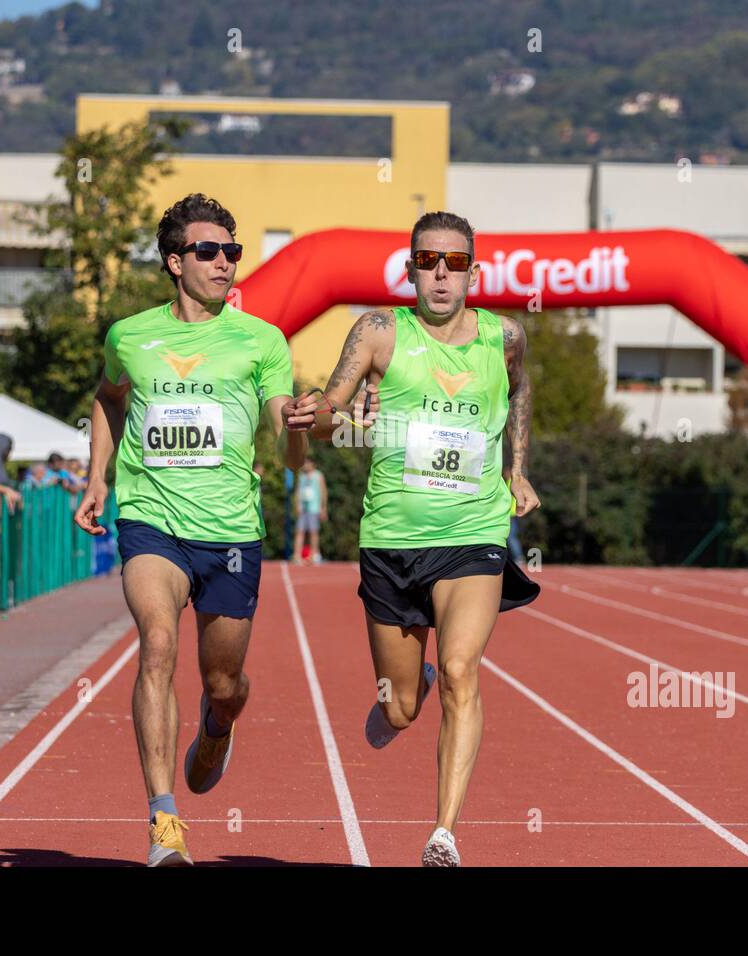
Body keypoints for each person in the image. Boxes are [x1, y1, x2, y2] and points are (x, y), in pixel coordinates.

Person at [285, 210, 542, 866]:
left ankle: (444, 834)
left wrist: (516, 469)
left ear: (473, 273)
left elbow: (519, 392)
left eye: (454, 263)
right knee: (397, 710)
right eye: (428, 260)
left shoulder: (505, 337)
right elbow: (335, 409)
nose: (440, 274)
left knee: (463, 670)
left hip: (474, 531)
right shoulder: (378, 332)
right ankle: (412, 684)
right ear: (410, 268)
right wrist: (316, 414)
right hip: (392, 538)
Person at [73, 193, 307, 867]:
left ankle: (217, 725)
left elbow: (283, 421)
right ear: (176, 262)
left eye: (232, 251)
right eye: (210, 251)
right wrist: (98, 476)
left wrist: (298, 428)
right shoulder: (130, 336)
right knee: (156, 643)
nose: (226, 262)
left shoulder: (261, 340)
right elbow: (107, 396)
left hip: (231, 531)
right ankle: (163, 821)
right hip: (152, 521)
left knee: (224, 680)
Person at [292, 456, 328, 564]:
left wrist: (323, 507)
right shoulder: (301, 476)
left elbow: (323, 491)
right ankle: (297, 555)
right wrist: (297, 504)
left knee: (313, 532)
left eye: (308, 463)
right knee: (299, 531)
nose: (306, 465)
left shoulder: (318, 475)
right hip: (303, 508)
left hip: (314, 508)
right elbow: (298, 491)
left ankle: (314, 555)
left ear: (313, 464)